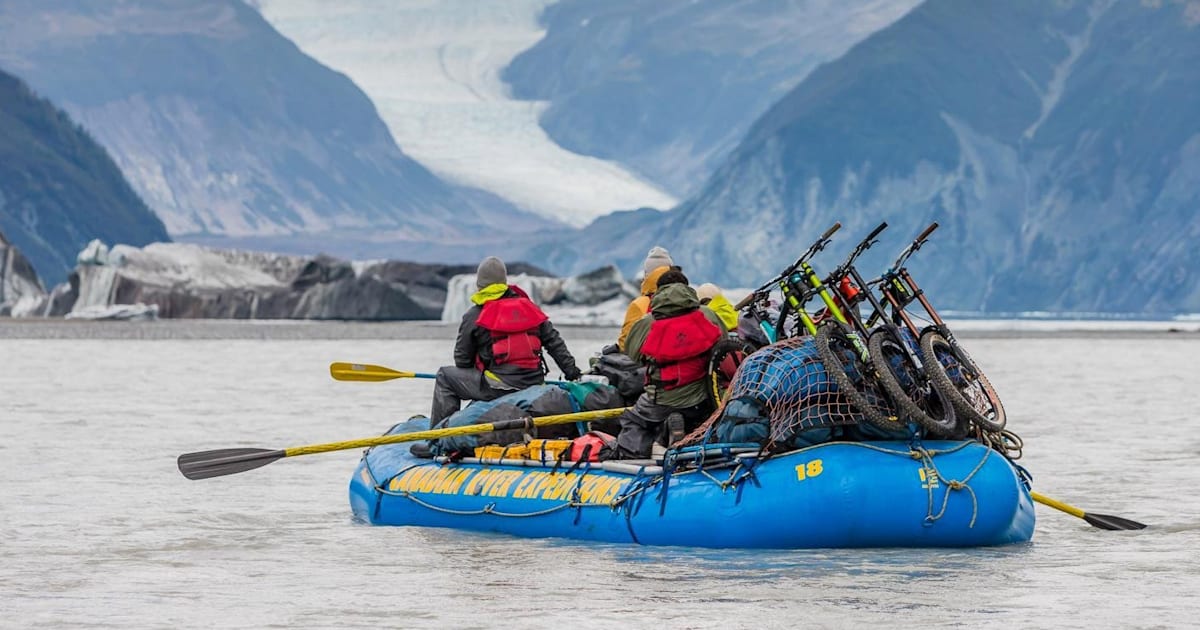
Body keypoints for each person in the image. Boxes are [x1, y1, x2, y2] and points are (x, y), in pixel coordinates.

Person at [429, 256, 582, 428]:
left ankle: (437, 438)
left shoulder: (474, 315)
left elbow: (462, 360)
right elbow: (555, 343)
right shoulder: (529, 309)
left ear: (480, 285)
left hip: (498, 386)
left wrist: (479, 372)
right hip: (535, 383)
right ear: (504, 282)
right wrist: (573, 373)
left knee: (445, 376)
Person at [614, 270, 727, 459]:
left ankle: (634, 457)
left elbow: (632, 355)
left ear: (659, 292)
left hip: (661, 400)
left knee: (634, 420)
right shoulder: (708, 315)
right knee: (707, 414)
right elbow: (724, 347)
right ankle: (693, 440)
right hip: (703, 398)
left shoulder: (646, 322)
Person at [617, 246, 674, 352]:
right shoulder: (687, 300)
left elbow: (625, 344)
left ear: (646, 274)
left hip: (648, 365)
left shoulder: (639, 305)